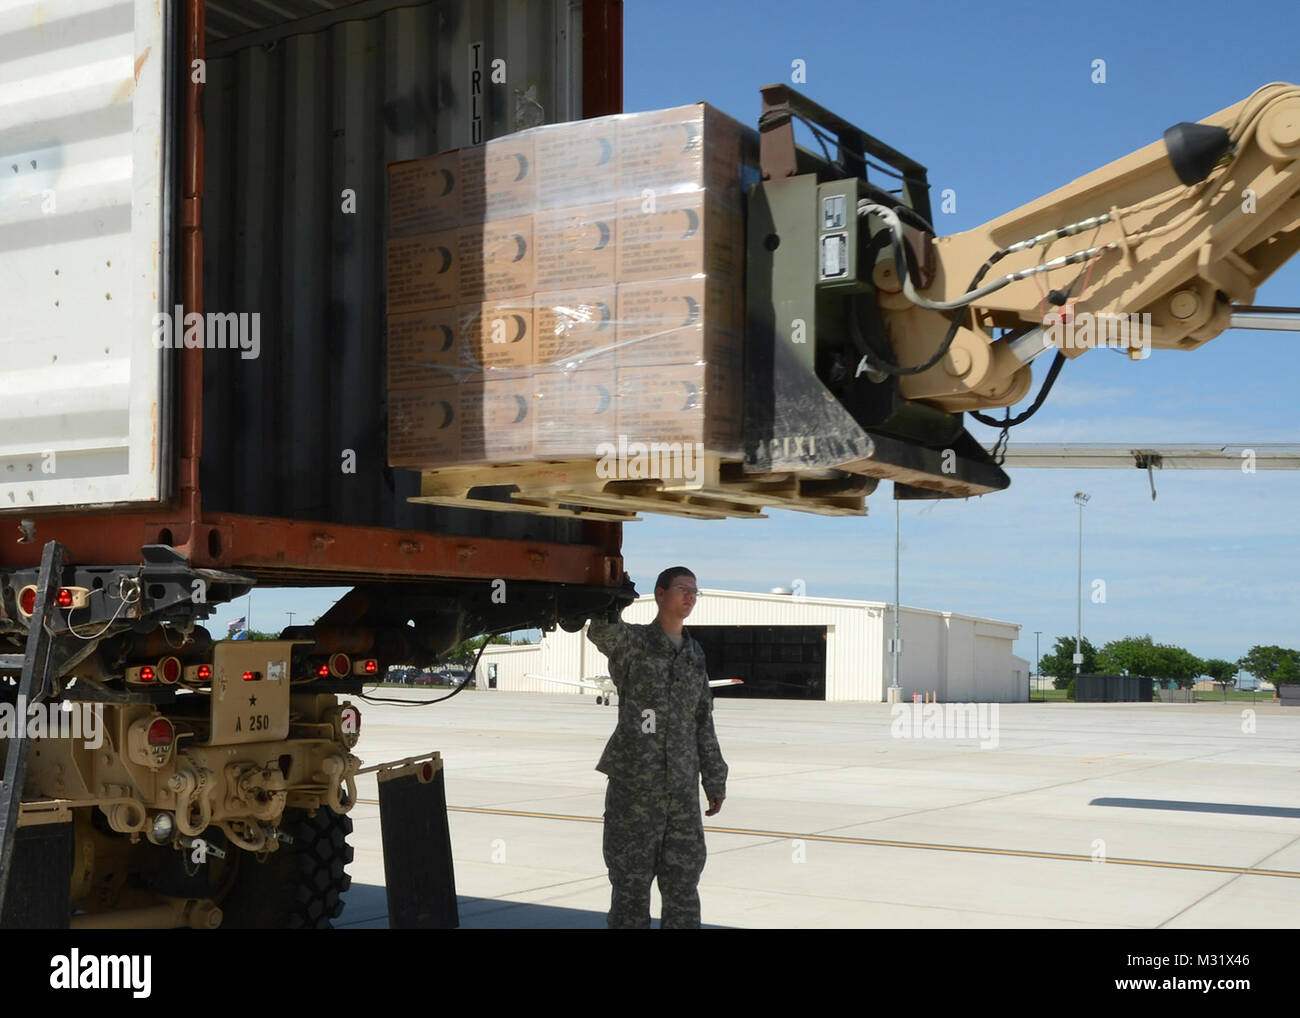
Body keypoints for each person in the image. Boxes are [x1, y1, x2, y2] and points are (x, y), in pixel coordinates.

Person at [586, 566, 728, 929]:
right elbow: (601, 631)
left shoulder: (694, 654)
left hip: (680, 795)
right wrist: (611, 595)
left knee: (683, 889)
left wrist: (714, 780)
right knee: (630, 891)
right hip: (635, 791)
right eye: (683, 589)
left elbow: (703, 721)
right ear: (660, 594)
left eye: (695, 591)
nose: (690, 596)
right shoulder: (633, 643)